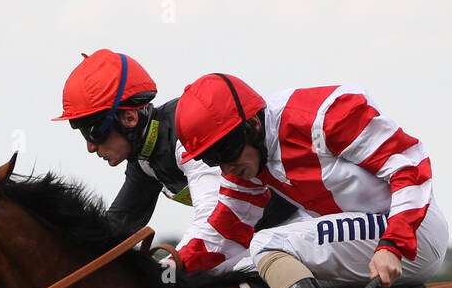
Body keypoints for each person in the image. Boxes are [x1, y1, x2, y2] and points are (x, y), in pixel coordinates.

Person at [174, 73, 448, 288]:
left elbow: (410, 164)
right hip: (367, 245)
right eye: (211, 159)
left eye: (224, 152)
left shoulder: (325, 115)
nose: (224, 167)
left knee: (267, 244)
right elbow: (225, 232)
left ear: (252, 126)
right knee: (243, 272)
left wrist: (393, 244)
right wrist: (173, 265)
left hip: (410, 234)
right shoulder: (248, 160)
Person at [53, 50, 295, 245]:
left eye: (93, 131)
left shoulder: (187, 135)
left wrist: (174, 264)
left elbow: (212, 220)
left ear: (129, 118)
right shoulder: (144, 160)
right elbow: (113, 230)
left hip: (297, 224)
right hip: (258, 238)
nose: (90, 147)